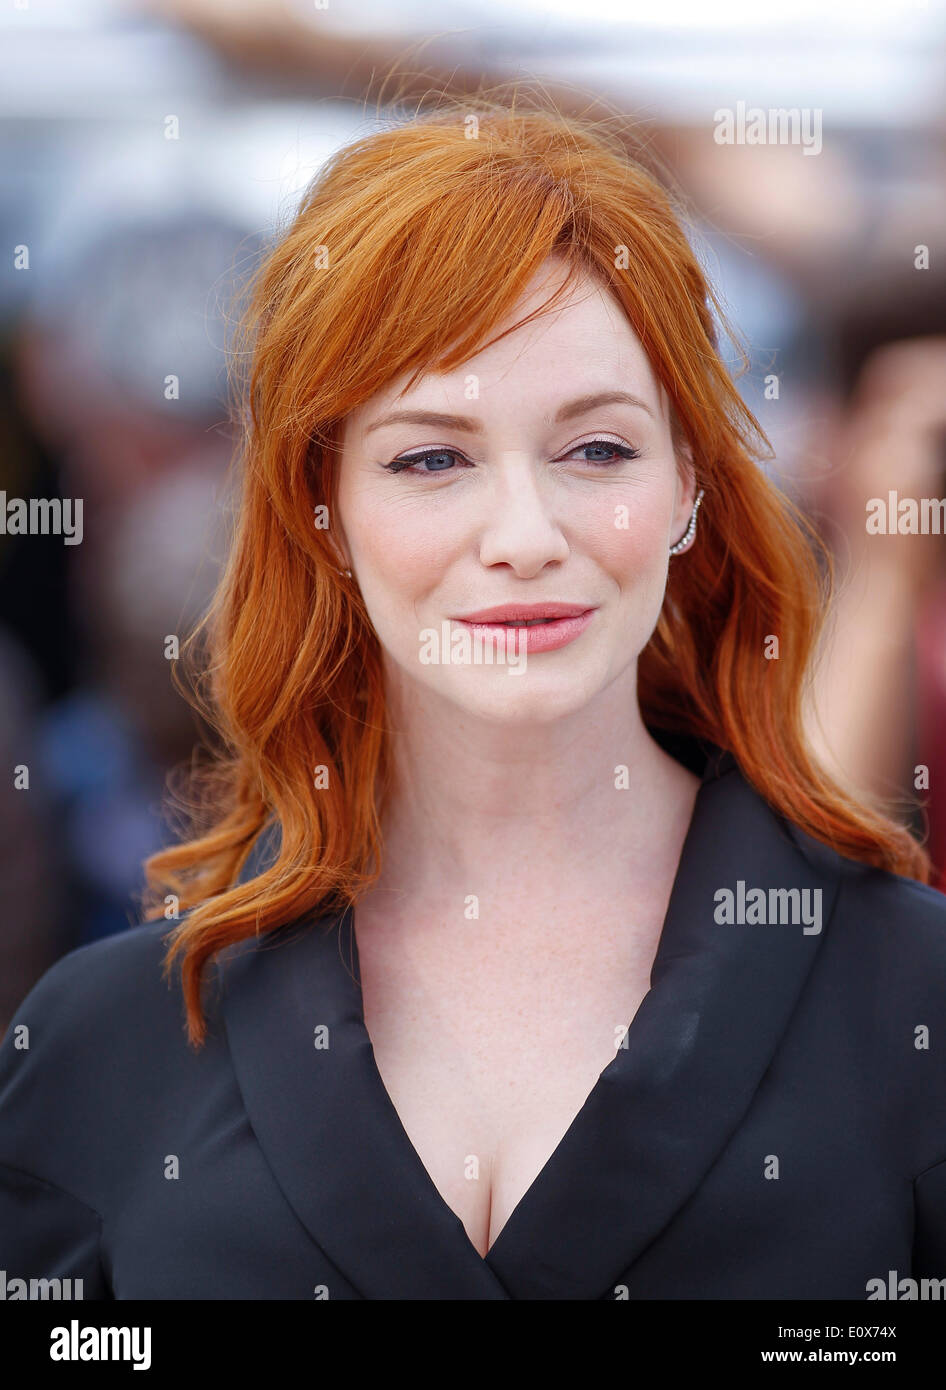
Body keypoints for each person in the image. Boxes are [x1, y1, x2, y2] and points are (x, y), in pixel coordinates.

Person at [1, 94, 945, 1301]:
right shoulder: (105, 1045)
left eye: (596, 448)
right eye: (431, 457)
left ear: (690, 487)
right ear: (320, 507)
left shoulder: (910, 1004)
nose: (522, 535)